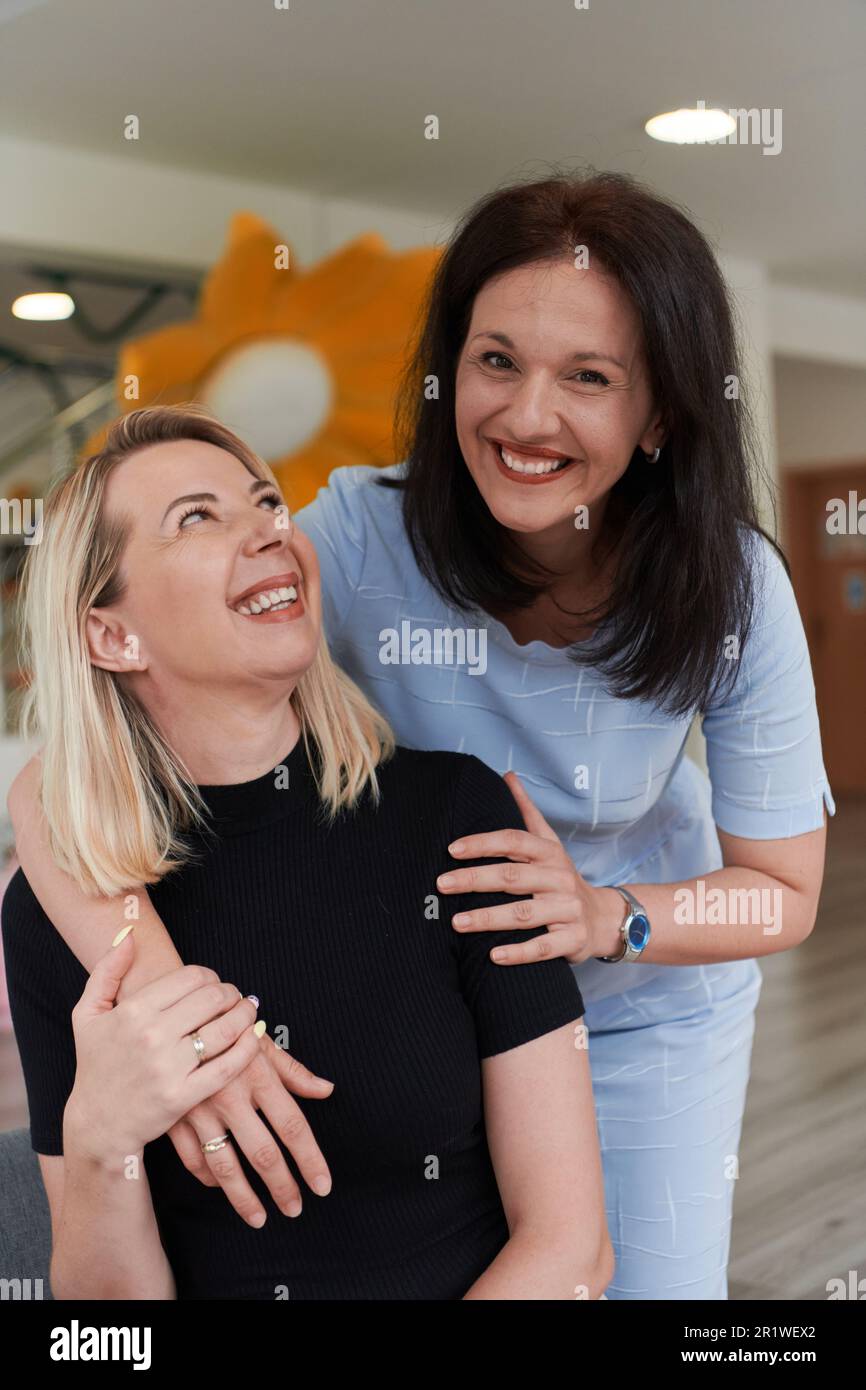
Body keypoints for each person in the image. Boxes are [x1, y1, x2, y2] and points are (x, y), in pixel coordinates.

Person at [9, 169, 833, 1300]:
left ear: (660, 418)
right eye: (495, 362)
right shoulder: (351, 540)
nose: (525, 416)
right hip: (429, 979)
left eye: (587, 378)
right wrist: (185, 1024)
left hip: (645, 999)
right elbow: (68, 778)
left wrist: (604, 917)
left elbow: (779, 891)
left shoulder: (729, 586)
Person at [1, 406, 611, 1300]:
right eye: (198, 518)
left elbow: (570, 1248)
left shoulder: (455, 815)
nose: (268, 531)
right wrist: (98, 1141)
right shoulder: (61, 913)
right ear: (111, 635)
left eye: (266, 503)